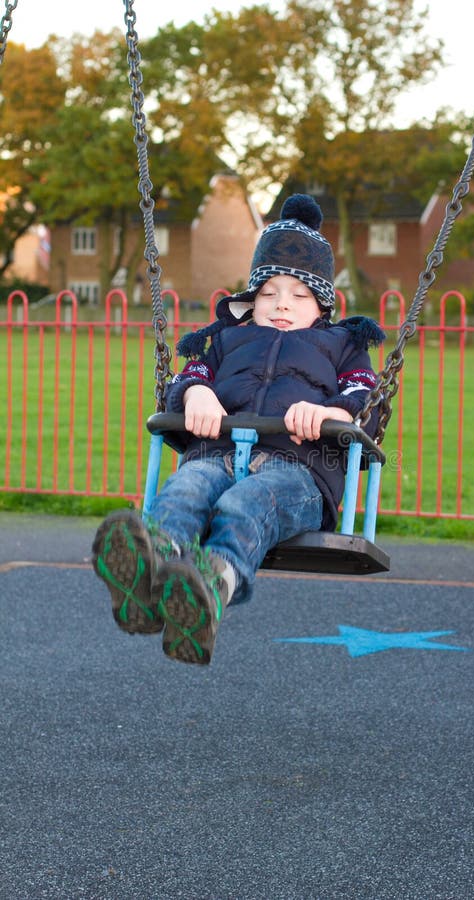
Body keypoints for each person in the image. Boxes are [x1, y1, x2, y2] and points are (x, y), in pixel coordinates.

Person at [92, 194, 385, 666]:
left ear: (323, 304)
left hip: (296, 475)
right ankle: (148, 579)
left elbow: (365, 397)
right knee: (188, 487)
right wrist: (196, 396)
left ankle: (209, 589)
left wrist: (331, 413)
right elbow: (190, 376)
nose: (281, 305)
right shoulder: (227, 338)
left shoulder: (343, 345)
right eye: (268, 293)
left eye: (299, 295)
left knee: (243, 504)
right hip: (217, 456)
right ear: (251, 299)